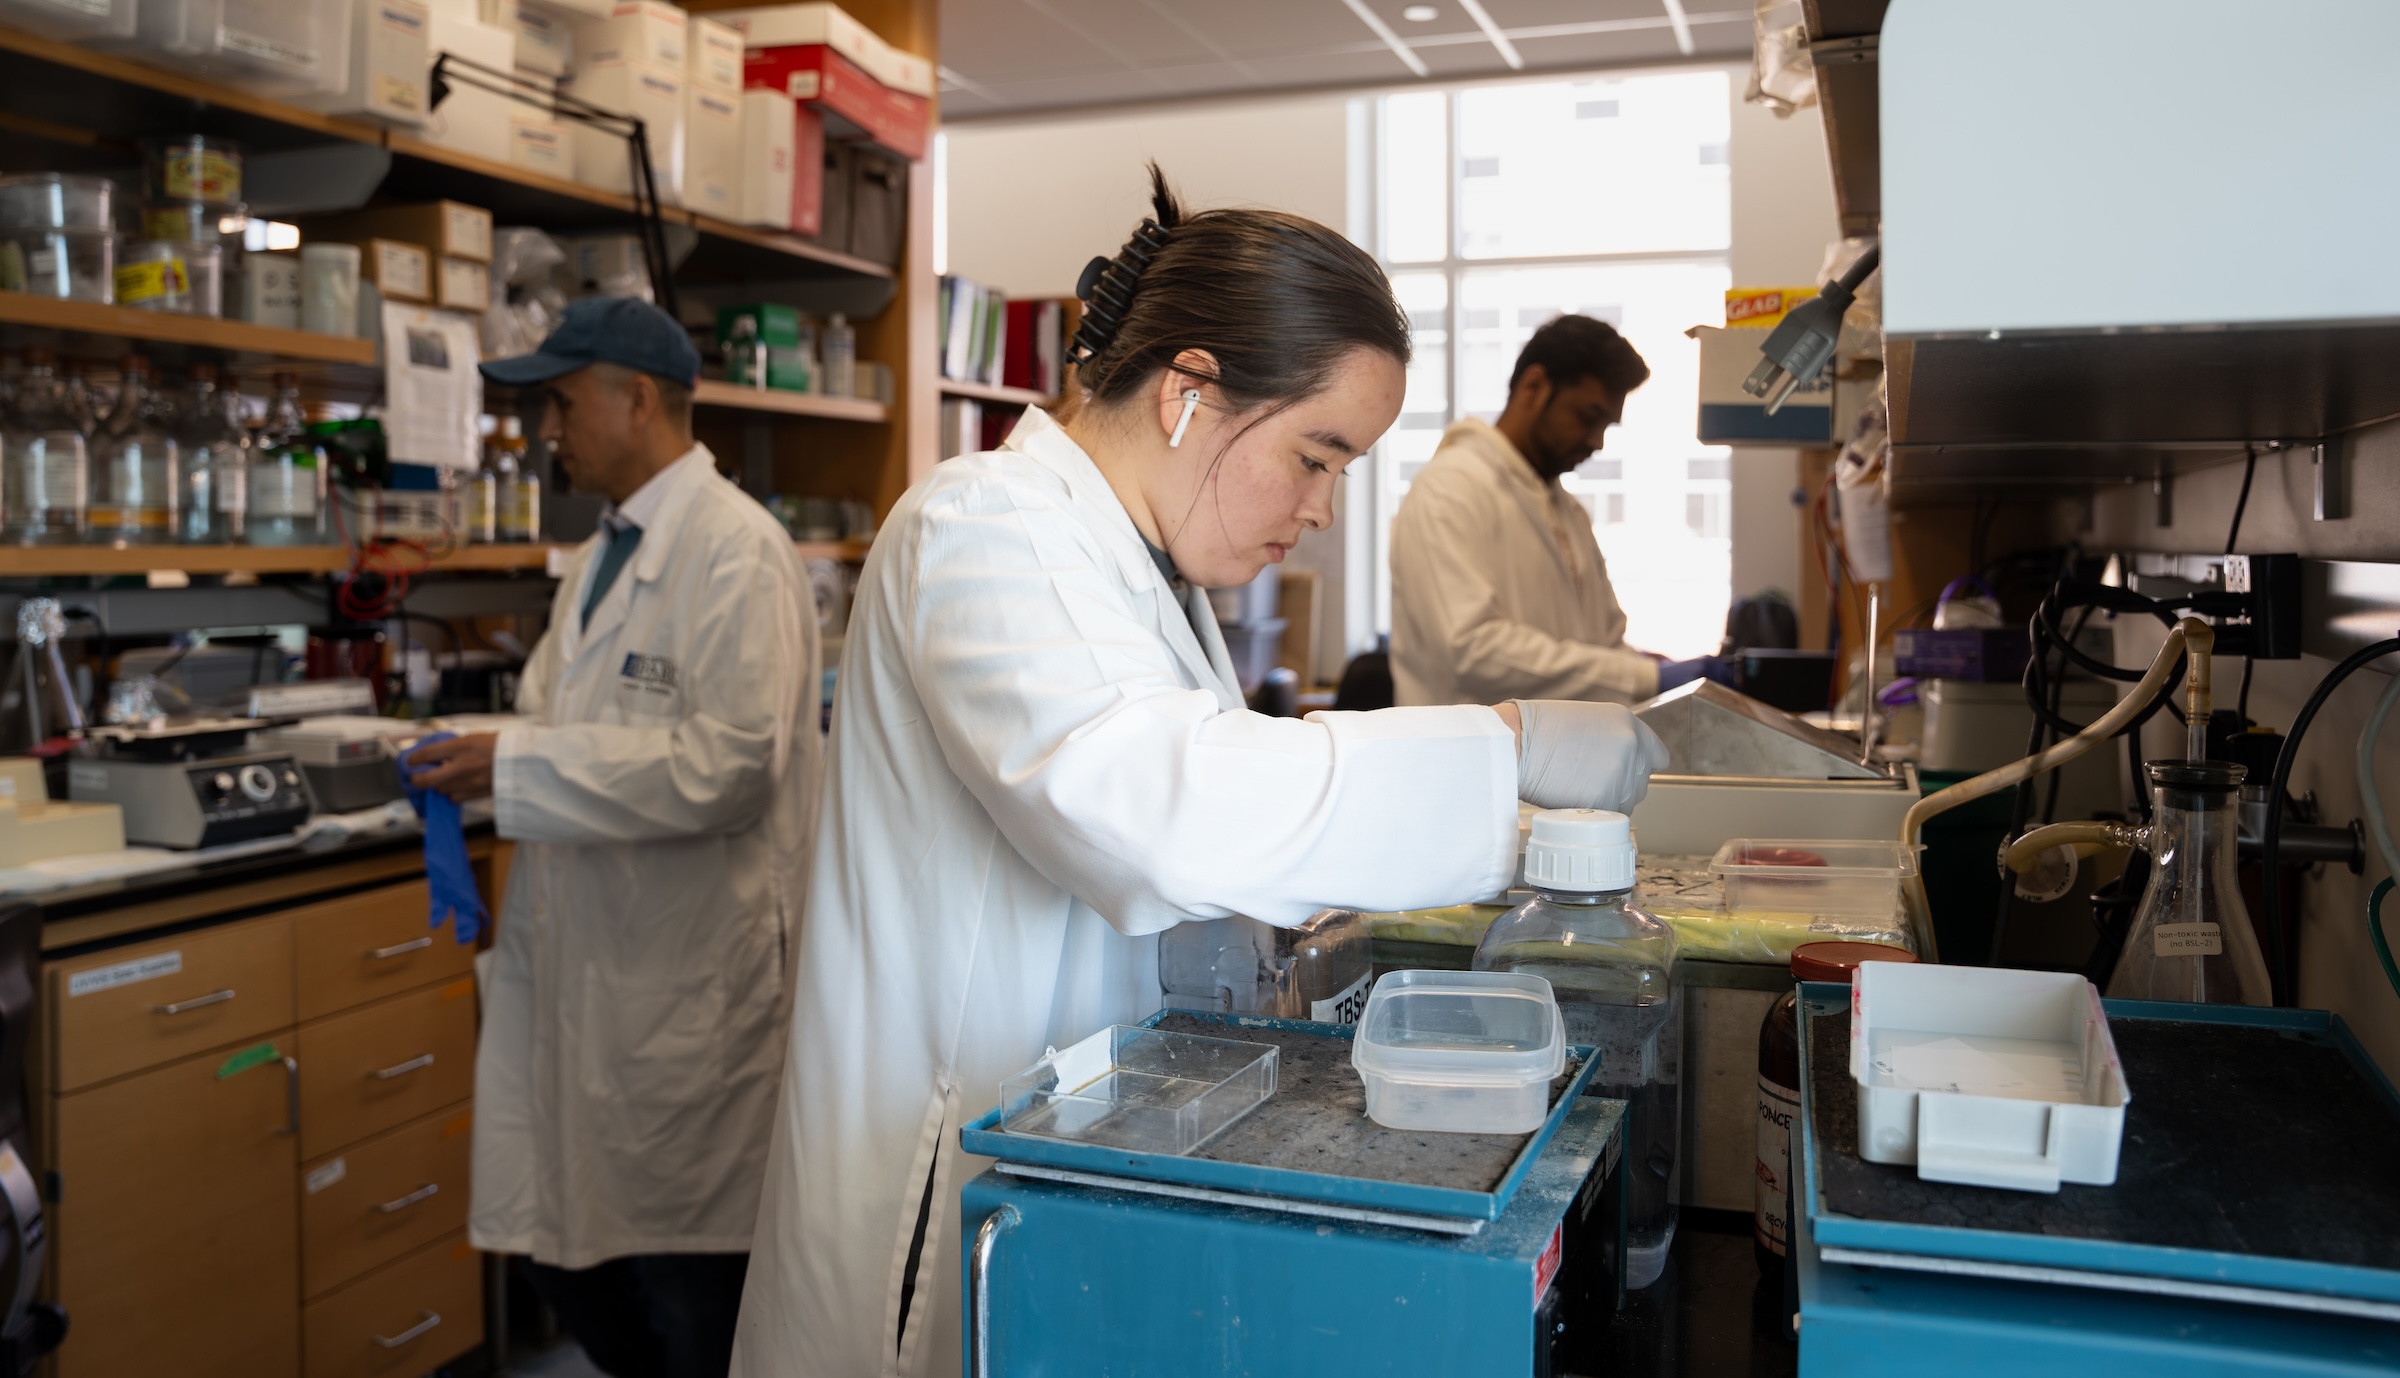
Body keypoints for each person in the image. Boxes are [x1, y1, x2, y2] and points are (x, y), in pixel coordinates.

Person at [728, 168, 1667, 1378]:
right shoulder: (979, 527)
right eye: (1318, 456)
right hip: (938, 1208)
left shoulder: (1143, 568)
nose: (1324, 509)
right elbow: (1158, 809)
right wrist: (1505, 743)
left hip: (1081, 1154)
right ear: (1189, 392)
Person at [407, 296, 820, 1378]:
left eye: (560, 400)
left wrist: (515, 764)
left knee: (694, 1297)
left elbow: (732, 765)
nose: (547, 429)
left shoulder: (741, 553)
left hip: (690, 987)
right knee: (573, 1261)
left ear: (638, 399)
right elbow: (563, 729)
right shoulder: (600, 554)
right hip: (588, 967)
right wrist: (485, 759)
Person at [1388, 313, 1728, 708]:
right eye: (1588, 417)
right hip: (1465, 761)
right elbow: (1471, 651)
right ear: (1534, 386)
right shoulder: (1449, 490)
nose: (1597, 442)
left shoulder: (1567, 511)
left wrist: (1656, 671)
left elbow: (1603, 641)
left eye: (1607, 425)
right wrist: (1642, 677)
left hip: (1555, 756)